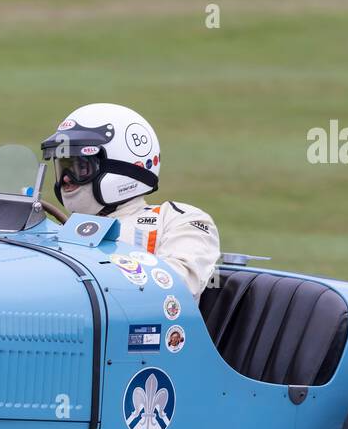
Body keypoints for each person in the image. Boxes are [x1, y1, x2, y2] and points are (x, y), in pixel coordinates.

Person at [41, 103, 220, 298]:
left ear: (119, 165)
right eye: (63, 167)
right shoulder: (57, 231)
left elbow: (179, 282)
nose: (66, 178)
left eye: (79, 167)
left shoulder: (179, 220)